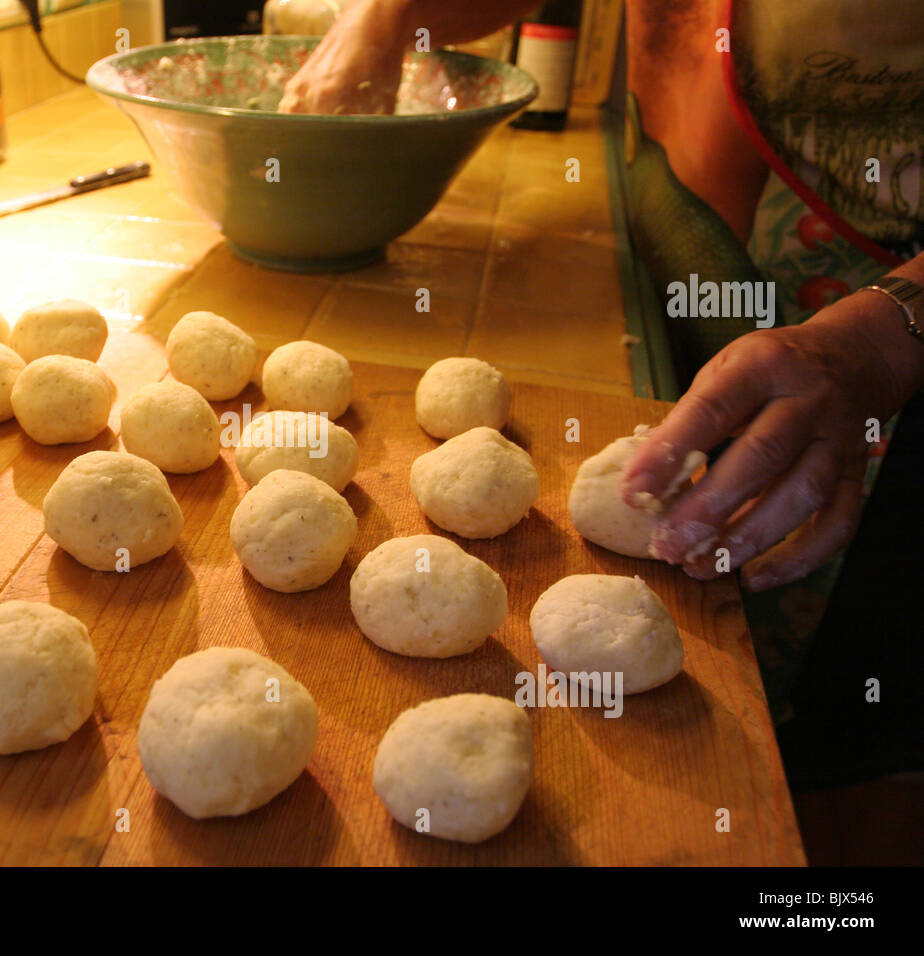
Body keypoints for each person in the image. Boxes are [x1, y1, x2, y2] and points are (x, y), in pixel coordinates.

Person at [280, 0, 924, 793]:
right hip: (685, 210)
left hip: (883, 325)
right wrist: (387, 16)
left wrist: (884, 338)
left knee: (852, 722)